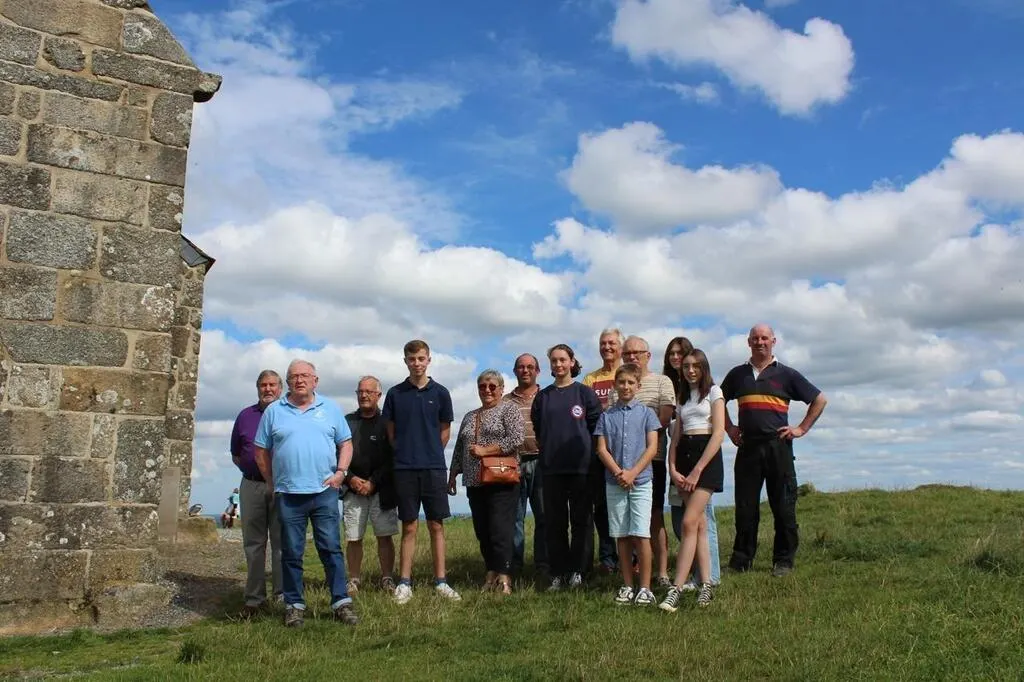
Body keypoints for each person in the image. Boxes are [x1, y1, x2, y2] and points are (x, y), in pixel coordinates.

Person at [253, 360, 358, 627]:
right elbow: (260, 450)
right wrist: (270, 481)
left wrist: (341, 473)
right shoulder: (274, 411)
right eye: (294, 377)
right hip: (289, 494)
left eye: (305, 376)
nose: (299, 380)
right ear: (287, 383)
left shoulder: (331, 409)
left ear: (315, 381)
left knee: (331, 549)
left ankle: (340, 602)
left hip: (324, 491)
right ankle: (294, 605)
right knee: (291, 552)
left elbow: (345, 443)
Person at [722, 324, 828, 577]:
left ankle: (783, 561)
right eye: (755, 338)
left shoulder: (787, 375)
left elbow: (820, 399)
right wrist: (729, 428)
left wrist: (801, 428)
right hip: (747, 447)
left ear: (773, 342)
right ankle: (741, 561)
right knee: (746, 508)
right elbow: (716, 400)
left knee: (783, 506)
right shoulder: (738, 374)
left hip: (778, 446)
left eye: (764, 338)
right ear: (748, 342)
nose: (760, 342)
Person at [382, 340, 461, 604]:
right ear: (405, 361)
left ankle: (441, 581)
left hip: (433, 467)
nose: (417, 363)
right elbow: (391, 434)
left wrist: (429, 453)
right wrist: (407, 452)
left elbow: (445, 432)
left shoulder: (440, 393)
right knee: (409, 526)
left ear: (429, 360)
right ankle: (404, 582)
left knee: (436, 525)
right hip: (404, 467)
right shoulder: (394, 394)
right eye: (412, 359)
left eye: (421, 358)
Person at [531, 344, 602, 591]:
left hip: (582, 468)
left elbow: (596, 429)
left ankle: (579, 572)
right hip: (551, 469)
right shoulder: (544, 396)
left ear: (572, 362)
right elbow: (539, 430)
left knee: (581, 521)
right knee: (555, 523)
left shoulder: (585, 394)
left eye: (563, 360)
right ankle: (558, 573)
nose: (558, 364)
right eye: (554, 361)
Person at [449, 370, 525, 594]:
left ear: (501, 388)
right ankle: (491, 571)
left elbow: (517, 438)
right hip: (474, 480)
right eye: (483, 386)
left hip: (500, 479)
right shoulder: (471, 416)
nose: (487, 390)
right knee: (482, 530)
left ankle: (504, 576)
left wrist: (486, 450)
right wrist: (453, 473)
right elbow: (460, 447)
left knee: (500, 530)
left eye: (492, 386)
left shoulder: (508, 409)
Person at [660, 349, 725, 612]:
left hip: (706, 460)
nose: (690, 370)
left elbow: (719, 434)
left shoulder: (714, 392)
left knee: (688, 522)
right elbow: (675, 438)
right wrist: (673, 469)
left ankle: (676, 588)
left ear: (704, 367)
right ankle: (706, 585)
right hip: (684, 459)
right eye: (686, 366)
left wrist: (698, 470)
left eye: (695, 366)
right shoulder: (682, 397)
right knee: (697, 526)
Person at [595, 364, 662, 606]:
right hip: (614, 483)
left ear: (638, 386)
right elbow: (601, 449)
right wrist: (618, 472)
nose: (625, 387)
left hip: (641, 481)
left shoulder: (647, 414)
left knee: (641, 534)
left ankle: (645, 588)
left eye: (631, 383)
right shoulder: (606, 416)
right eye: (621, 382)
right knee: (622, 535)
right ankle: (627, 585)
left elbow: (653, 447)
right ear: (615, 385)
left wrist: (633, 472)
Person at [617, 336, 675, 588]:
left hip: (654, 459)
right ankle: (632, 574)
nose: (631, 357)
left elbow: (663, 419)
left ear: (648, 355)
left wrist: (637, 442)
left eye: (636, 352)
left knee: (654, 517)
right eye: (627, 353)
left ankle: (661, 572)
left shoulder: (663, 382)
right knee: (627, 520)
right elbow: (613, 424)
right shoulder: (617, 386)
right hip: (622, 465)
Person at [230, 369, 284, 616]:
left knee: (283, 543)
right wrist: (255, 471)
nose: (268, 389)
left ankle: (283, 596)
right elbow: (236, 453)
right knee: (253, 544)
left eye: (272, 385)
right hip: (251, 485)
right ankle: (254, 599)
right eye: (263, 385)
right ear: (258, 388)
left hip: (284, 486)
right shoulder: (245, 416)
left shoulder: (289, 413)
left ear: (280, 388)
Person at [343, 376, 399, 596]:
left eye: (369, 391)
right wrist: (350, 478)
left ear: (379, 395)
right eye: (360, 392)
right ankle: (354, 580)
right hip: (352, 487)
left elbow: (393, 456)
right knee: (353, 537)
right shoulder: (346, 421)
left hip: (382, 488)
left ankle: (387, 578)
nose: (364, 395)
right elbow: (336, 453)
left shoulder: (388, 422)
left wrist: (374, 481)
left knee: (384, 535)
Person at [582, 328, 623, 574]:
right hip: (599, 449)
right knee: (602, 506)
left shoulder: (628, 373)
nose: (607, 347)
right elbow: (588, 411)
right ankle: (608, 558)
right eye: (603, 343)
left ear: (621, 346)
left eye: (611, 343)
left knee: (628, 504)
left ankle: (634, 558)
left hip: (627, 449)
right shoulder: (590, 379)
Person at [505, 353, 548, 578]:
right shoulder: (505, 400)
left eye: (530, 367)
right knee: (515, 517)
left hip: (542, 461)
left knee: (543, 515)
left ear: (537, 371)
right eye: (521, 367)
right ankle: (515, 564)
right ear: (515, 371)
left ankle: (543, 564)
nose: (525, 370)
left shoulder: (547, 396)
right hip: (514, 462)